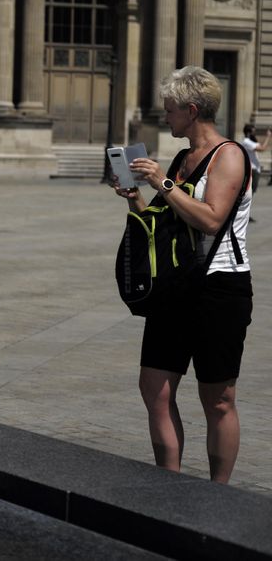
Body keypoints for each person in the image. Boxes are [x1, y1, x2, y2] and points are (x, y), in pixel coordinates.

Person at [113, 66, 252, 484]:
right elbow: (165, 225)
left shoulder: (229, 155)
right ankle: (169, 487)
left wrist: (164, 184)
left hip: (219, 288)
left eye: (171, 110)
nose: (166, 116)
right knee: (154, 388)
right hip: (175, 286)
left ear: (192, 110)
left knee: (219, 399)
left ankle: (217, 494)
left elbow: (211, 220)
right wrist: (137, 198)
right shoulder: (179, 157)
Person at [240, 123, 270, 222]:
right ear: (249, 132)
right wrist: (268, 137)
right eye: (253, 130)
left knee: (251, 194)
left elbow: (260, 146)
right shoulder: (246, 141)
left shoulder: (250, 141)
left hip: (255, 170)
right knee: (249, 194)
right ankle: (244, 215)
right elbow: (262, 148)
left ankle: (246, 215)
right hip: (252, 170)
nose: (255, 132)